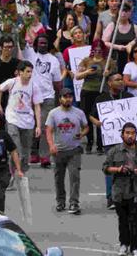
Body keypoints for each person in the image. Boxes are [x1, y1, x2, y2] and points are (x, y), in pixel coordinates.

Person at [104, 122, 137, 256]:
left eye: (133, 133)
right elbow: (105, 168)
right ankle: (124, 244)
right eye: (127, 133)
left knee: (136, 220)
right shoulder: (114, 151)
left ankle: (135, 247)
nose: (130, 136)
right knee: (123, 220)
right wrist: (118, 169)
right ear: (122, 135)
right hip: (120, 192)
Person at [45, 86, 89, 214]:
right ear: (60, 99)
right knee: (59, 178)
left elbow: (86, 127)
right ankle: (60, 201)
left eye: (70, 97)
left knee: (75, 176)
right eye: (65, 97)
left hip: (74, 150)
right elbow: (48, 130)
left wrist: (82, 134)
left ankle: (74, 203)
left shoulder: (79, 113)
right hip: (58, 151)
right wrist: (51, 145)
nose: (68, 99)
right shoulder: (53, 113)